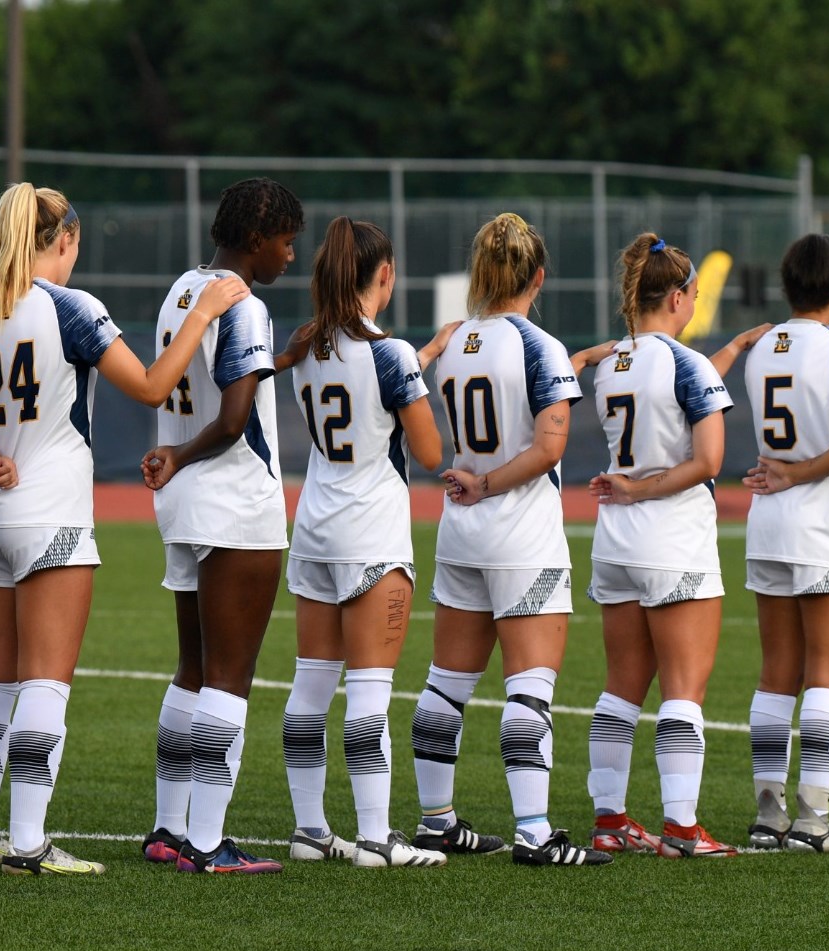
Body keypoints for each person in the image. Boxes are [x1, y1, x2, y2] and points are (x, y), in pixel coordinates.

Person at [0, 183, 246, 875]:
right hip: (48, 509)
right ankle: (26, 842)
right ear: (65, 241)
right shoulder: (70, 307)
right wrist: (202, 314)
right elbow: (147, 385)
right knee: (45, 684)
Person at [410, 212, 609, 868]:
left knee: (444, 684)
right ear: (538, 276)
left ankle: (435, 820)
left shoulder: (454, 340)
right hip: (519, 533)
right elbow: (549, 447)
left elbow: (407, 378)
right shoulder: (538, 345)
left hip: (461, 535)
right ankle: (533, 830)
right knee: (530, 687)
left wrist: (435, 350)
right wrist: (491, 483)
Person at [273, 217, 452, 869]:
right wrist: (421, 370)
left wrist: (421, 358)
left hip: (314, 528)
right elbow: (428, 453)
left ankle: (309, 829)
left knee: (310, 687)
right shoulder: (389, 353)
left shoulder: (303, 343)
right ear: (383, 274)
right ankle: (376, 836)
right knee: (370, 688)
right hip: (371, 533)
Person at [138, 177, 305, 874]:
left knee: (193, 669)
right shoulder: (243, 302)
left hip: (182, 503)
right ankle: (207, 843)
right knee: (230, 678)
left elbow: (211, 382)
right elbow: (234, 419)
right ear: (257, 237)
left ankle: (168, 828)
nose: (290, 257)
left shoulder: (184, 288)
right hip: (232, 500)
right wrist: (183, 450)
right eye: (286, 242)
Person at [583, 233, 767, 859]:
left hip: (615, 544)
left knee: (619, 687)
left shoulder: (613, 362)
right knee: (683, 690)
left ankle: (610, 818)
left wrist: (734, 349)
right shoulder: (683, 363)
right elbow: (709, 459)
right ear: (681, 296)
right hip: (672, 540)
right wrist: (643, 489)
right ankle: (682, 829)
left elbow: (658, 377)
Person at [739, 233, 829, 854]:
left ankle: (768, 814)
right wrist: (799, 473)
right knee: (827, 675)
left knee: (777, 674)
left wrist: (785, 474)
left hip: (768, 522)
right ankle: (813, 820)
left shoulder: (761, 348)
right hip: (824, 526)